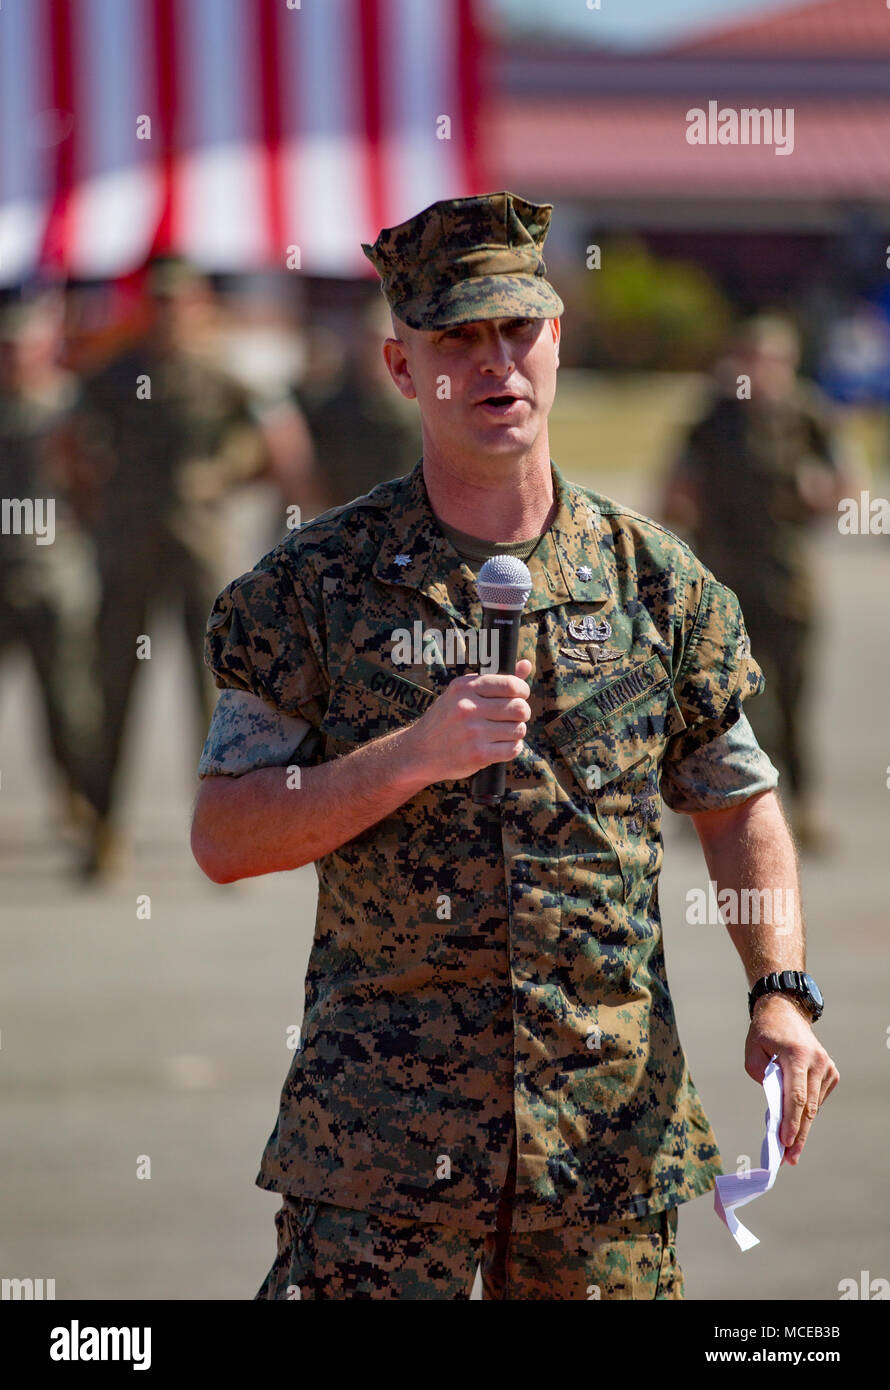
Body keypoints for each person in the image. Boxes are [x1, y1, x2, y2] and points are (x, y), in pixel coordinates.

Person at [190, 191, 839, 1300]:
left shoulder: (653, 580)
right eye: (457, 338)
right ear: (402, 368)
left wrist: (777, 989)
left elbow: (735, 803)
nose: (495, 363)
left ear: (556, 341)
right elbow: (226, 834)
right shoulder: (311, 590)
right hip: (381, 1158)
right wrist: (404, 757)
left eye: (517, 329)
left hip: (603, 1146)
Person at [65, 257, 311, 877]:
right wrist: (91, 505)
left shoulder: (220, 375)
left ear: (199, 308)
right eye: (162, 304)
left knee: (213, 700)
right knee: (113, 688)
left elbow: (275, 443)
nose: (172, 316)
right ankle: (103, 829)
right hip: (128, 555)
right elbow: (68, 439)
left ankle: (221, 832)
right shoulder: (117, 374)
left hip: (199, 551)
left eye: (183, 304)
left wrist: (226, 475)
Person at [661, 315, 853, 849]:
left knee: (792, 701)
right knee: (716, 701)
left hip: (788, 585)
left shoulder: (808, 415)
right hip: (723, 590)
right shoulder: (712, 419)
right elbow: (674, 486)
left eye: (773, 362)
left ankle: (804, 809)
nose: (760, 373)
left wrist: (826, 498)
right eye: (751, 360)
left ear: (788, 366)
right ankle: (704, 802)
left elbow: (845, 484)